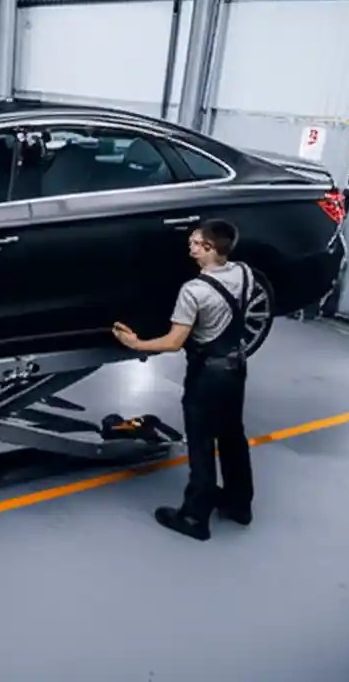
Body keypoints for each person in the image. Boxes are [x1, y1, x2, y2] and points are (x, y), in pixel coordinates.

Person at [111, 219, 254, 541]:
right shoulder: (244, 272)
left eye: (194, 242)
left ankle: (194, 516)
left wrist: (136, 344)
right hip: (236, 368)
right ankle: (238, 504)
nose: (189, 246)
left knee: (202, 442)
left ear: (208, 248)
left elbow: (174, 341)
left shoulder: (194, 291)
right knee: (233, 435)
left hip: (208, 375)